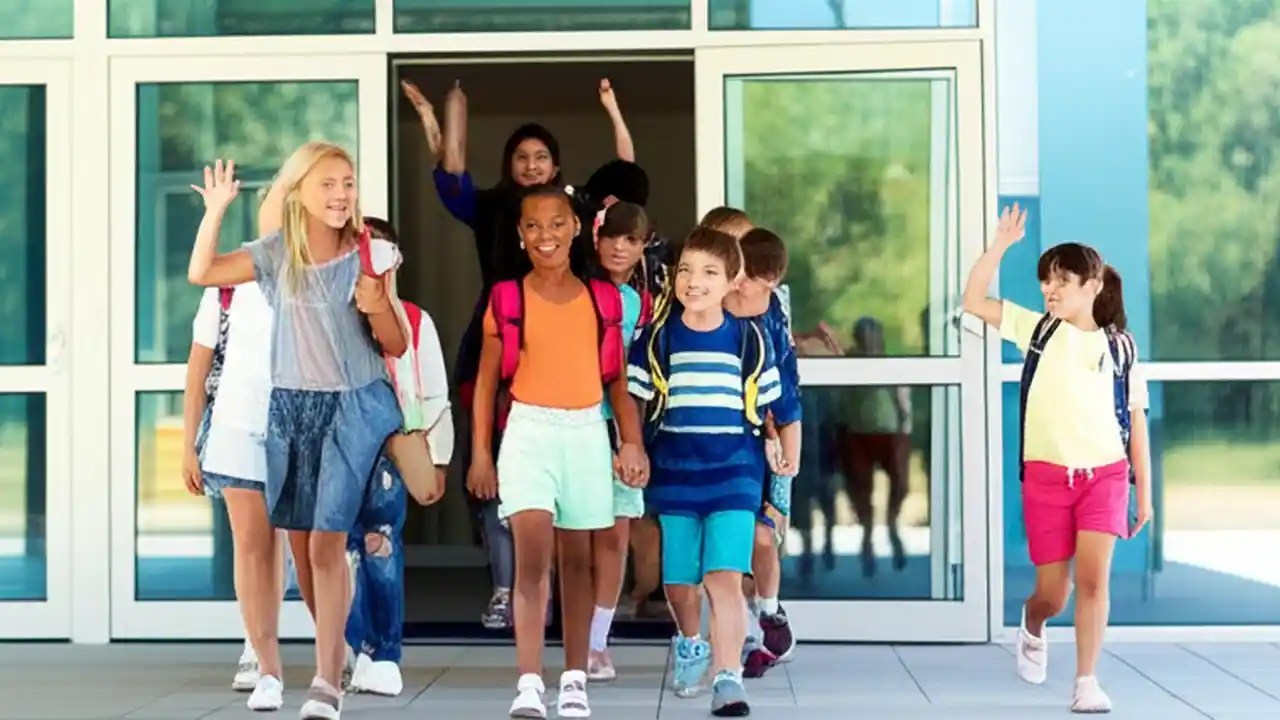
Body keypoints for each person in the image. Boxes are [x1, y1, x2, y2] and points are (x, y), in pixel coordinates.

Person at [401, 77, 634, 629]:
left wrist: (612, 110)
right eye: (522, 157)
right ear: (509, 166)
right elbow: (452, 178)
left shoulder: (576, 204)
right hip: (497, 348)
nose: (532, 165)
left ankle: (557, 594)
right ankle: (508, 587)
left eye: (541, 157)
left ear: (556, 166)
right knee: (496, 472)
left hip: (568, 355)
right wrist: (441, 120)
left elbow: (627, 181)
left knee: (567, 477)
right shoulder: (492, 207)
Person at [187, 147, 408, 720]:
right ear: (299, 191)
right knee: (304, 547)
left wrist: (378, 303)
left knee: (328, 541)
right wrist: (214, 213)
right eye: (328, 184)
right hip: (291, 410)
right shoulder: (276, 254)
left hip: (349, 411)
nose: (341, 194)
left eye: (349, 183)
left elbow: (396, 342)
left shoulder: (371, 252)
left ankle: (326, 683)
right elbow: (202, 274)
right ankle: (311, 664)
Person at [962, 205, 1152, 714]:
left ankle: (1086, 680)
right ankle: (1034, 620)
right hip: (1046, 479)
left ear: (1092, 285)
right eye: (1046, 280)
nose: (1050, 289)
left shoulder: (1121, 348)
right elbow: (973, 300)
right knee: (1055, 592)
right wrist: (1000, 246)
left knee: (1094, 581)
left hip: (1105, 478)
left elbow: (1136, 424)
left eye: (1062, 280)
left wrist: (1144, 494)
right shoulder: (1037, 329)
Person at [467, 185, 647, 718]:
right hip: (528, 433)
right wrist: (480, 453)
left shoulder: (603, 300)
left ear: (576, 226)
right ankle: (528, 683)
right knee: (532, 558)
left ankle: (573, 678)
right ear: (521, 236)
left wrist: (630, 441)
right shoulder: (506, 298)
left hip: (588, 432)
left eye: (555, 223)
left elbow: (616, 382)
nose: (545, 235)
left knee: (577, 562)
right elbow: (483, 385)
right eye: (532, 226)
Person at [628, 227, 791, 717]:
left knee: (723, 576)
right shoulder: (657, 338)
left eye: (709, 272)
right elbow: (635, 400)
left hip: (734, 474)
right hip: (676, 471)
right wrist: (631, 449)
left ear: (731, 281)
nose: (694, 282)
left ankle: (727, 679)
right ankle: (690, 641)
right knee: (680, 581)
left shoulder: (748, 338)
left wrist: (775, 446)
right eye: (685, 271)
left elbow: (766, 410)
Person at [344, 217, 454, 697]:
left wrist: (439, 458)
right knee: (339, 553)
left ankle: (385, 652)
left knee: (379, 543)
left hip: (392, 445)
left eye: (383, 254)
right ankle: (352, 648)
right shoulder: (329, 315)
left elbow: (434, 393)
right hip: (337, 447)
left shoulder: (413, 319)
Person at [181, 277, 284, 711]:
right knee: (251, 542)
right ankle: (260, 655)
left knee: (299, 542)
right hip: (237, 423)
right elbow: (198, 367)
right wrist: (189, 445)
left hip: (298, 425)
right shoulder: (225, 285)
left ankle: (341, 648)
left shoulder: (313, 274)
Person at [723, 227, 803, 678]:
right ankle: (743, 636)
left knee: (765, 535)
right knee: (731, 547)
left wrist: (788, 454)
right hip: (723, 441)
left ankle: (769, 615)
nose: (756, 290)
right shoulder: (710, 313)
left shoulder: (774, 312)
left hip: (769, 440)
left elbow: (787, 391)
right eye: (754, 280)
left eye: (769, 283)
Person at [585, 202, 650, 683]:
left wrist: (633, 438)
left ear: (644, 247)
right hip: (574, 420)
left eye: (631, 240)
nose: (619, 247)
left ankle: (597, 643)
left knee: (615, 535)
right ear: (595, 238)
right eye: (612, 237)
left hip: (621, 426)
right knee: (572, 539)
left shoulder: (640, 302)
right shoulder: (577, 292)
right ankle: (573, 637)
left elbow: (637, 377)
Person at [837, 316, 912, 577]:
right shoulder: (848, 363)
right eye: (863, 336)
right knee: (860, 489)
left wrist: (905, 426)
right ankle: (867, 537)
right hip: (857, 432)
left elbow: (902, 397)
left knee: (900, 484)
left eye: (873, 336)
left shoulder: (889, 363)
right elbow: (840, 397)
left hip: (890, 432)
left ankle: (892, 525)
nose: (868, 342)